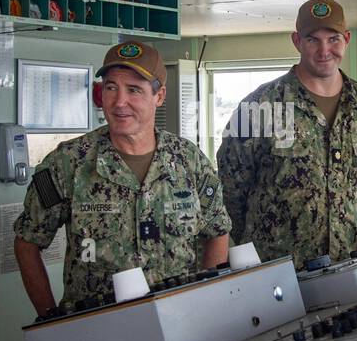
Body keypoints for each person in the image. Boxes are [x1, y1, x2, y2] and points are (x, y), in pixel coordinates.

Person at [14, 39, 230, 314]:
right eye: (111, 87)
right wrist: (49, 318)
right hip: (96, 329)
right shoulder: (67, 163)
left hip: (179, 318)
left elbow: (217, 231)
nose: (119, 102)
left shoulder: (189, 161)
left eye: (134, 90)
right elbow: (27, 242)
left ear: (159, 96)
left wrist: (206, 304)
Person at [217, 0, 357, 267]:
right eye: (312, 40)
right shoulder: (259, 105)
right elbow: (230, 191)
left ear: (347, 39)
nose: (324, 50)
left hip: (352, 265)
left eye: (333, 39)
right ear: (297, 41)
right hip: (281, 270)